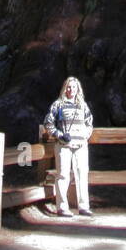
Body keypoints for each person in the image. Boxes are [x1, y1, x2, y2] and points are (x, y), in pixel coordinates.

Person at [43, 77, 94, 217]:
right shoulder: (58, 105)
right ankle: (62, 207)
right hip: (63, 145)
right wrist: (59, 135)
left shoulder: (83, 105)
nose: (71, 90)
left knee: (82, 174)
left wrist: (85, 135)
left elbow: (89, 123)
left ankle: (84, 206)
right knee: (63, 175)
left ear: (78, 89)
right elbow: (48, 123)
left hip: (81, 145)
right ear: (64, 88)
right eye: (68, 87)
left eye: (74, 87)